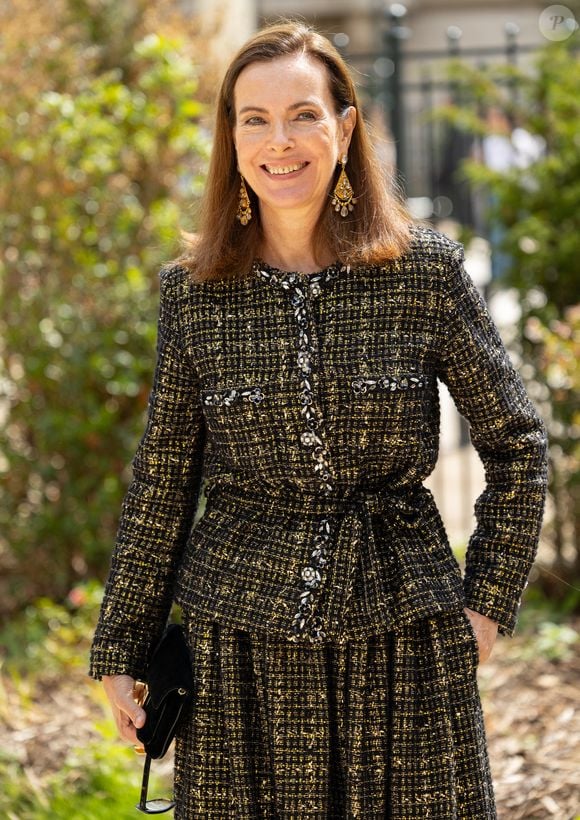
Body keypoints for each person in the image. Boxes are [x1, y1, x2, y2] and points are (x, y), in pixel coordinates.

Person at [89, 20, 548, 819]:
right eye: (254, 119)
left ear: (344, 125)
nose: (281, 141)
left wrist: (485, 606)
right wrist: (122, 648)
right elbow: (163, 480)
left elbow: (519, 444)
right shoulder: (194, 296)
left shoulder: (424, 272)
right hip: (239, 648)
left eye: (304, 113)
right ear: (232, 140)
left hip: (406, 634)